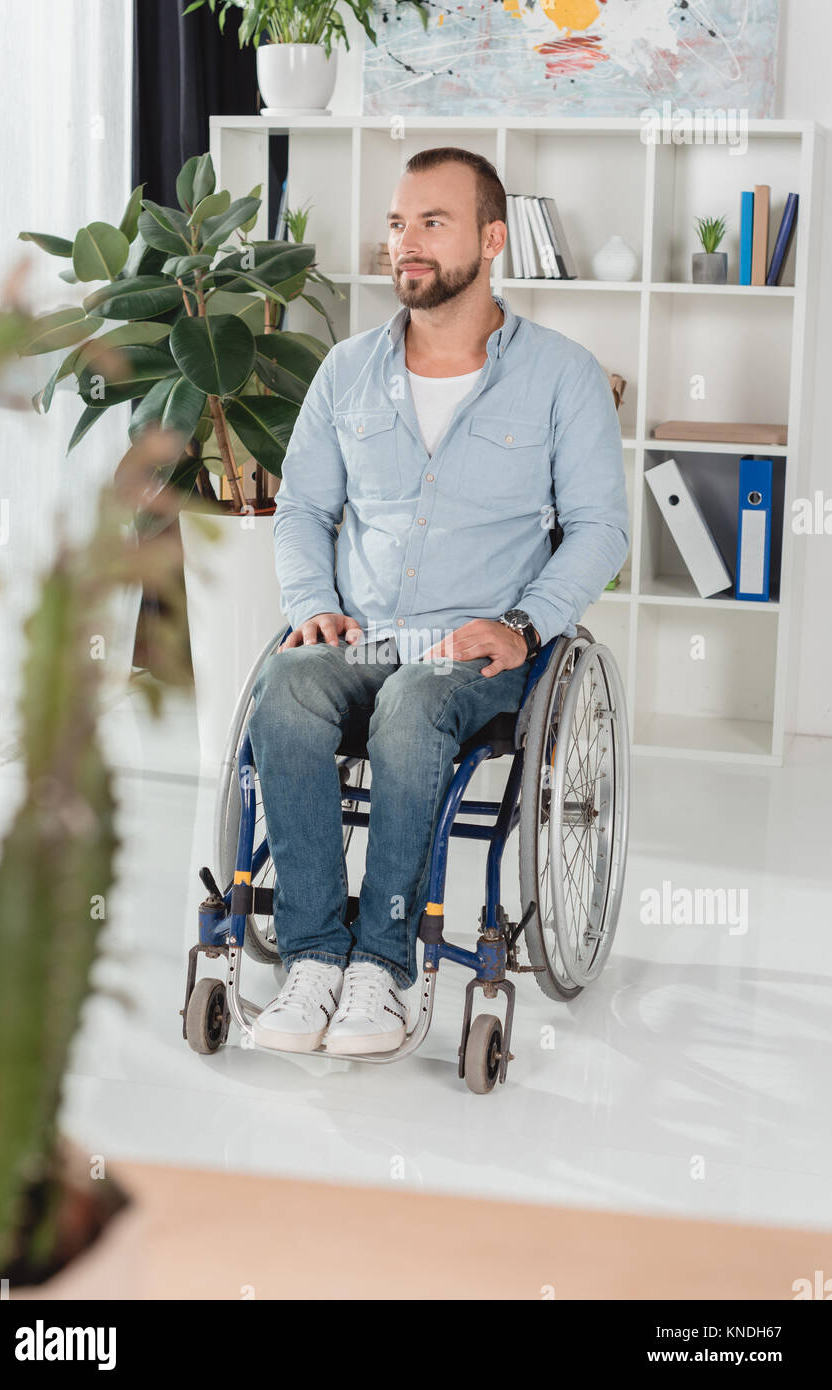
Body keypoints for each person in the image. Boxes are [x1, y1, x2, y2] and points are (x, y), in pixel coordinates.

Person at [247, 146, 629, 1056]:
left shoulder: (562, 376)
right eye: (395, 223)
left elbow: (599, 530)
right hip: (365, 635)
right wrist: (311, 601)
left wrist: (524, 623)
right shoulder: (346, 370)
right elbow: (301, 507)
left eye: (431, 223)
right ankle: (311, 958)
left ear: (492, 239)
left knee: (416, 703)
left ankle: (383, 968)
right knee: (284, 689)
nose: (404, 245)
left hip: (481, 652)